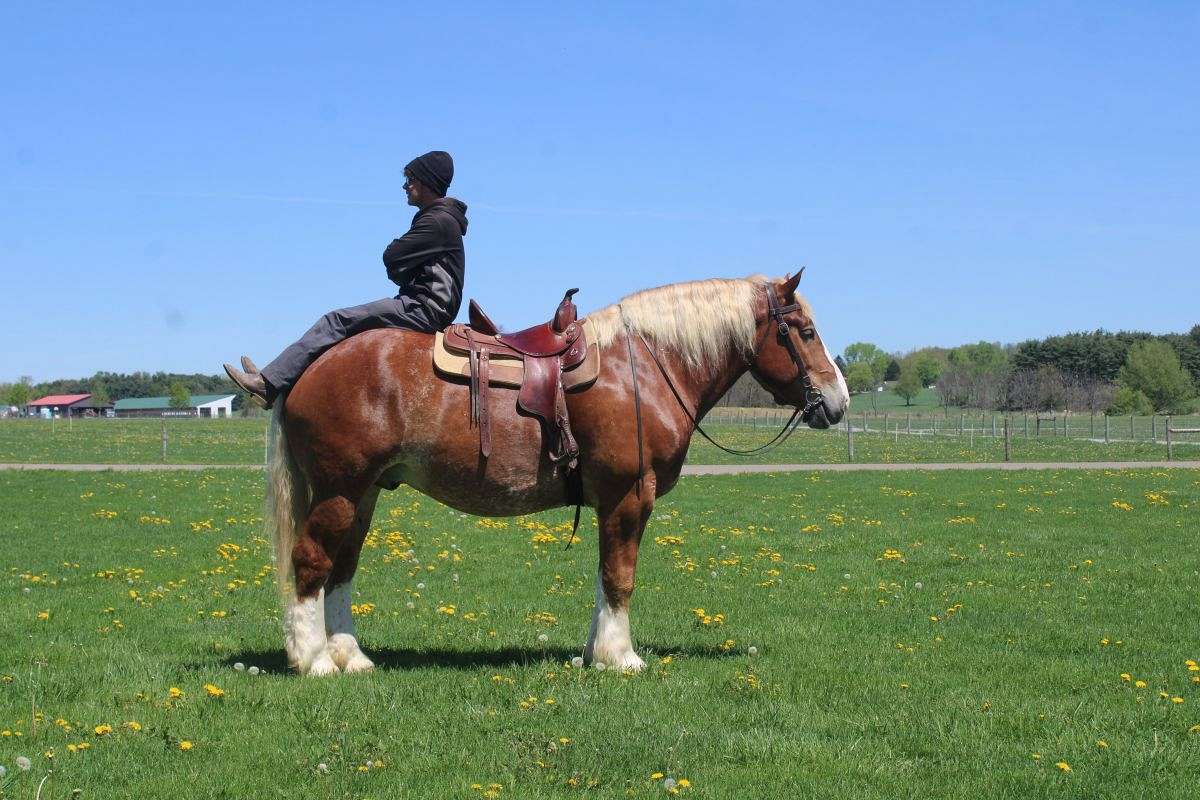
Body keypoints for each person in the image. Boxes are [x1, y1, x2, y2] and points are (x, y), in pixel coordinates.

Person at [224, 151, 468, 408]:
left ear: (427, 182)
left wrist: (402, 267)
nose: (405, 185)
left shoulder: (438, 221)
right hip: (420, 304)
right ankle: (277, 378)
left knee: (337, 320)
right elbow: (398, 265)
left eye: (411, 179)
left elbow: (392, 256)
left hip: (422, 309)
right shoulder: (439, 219)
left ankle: (268, 383)